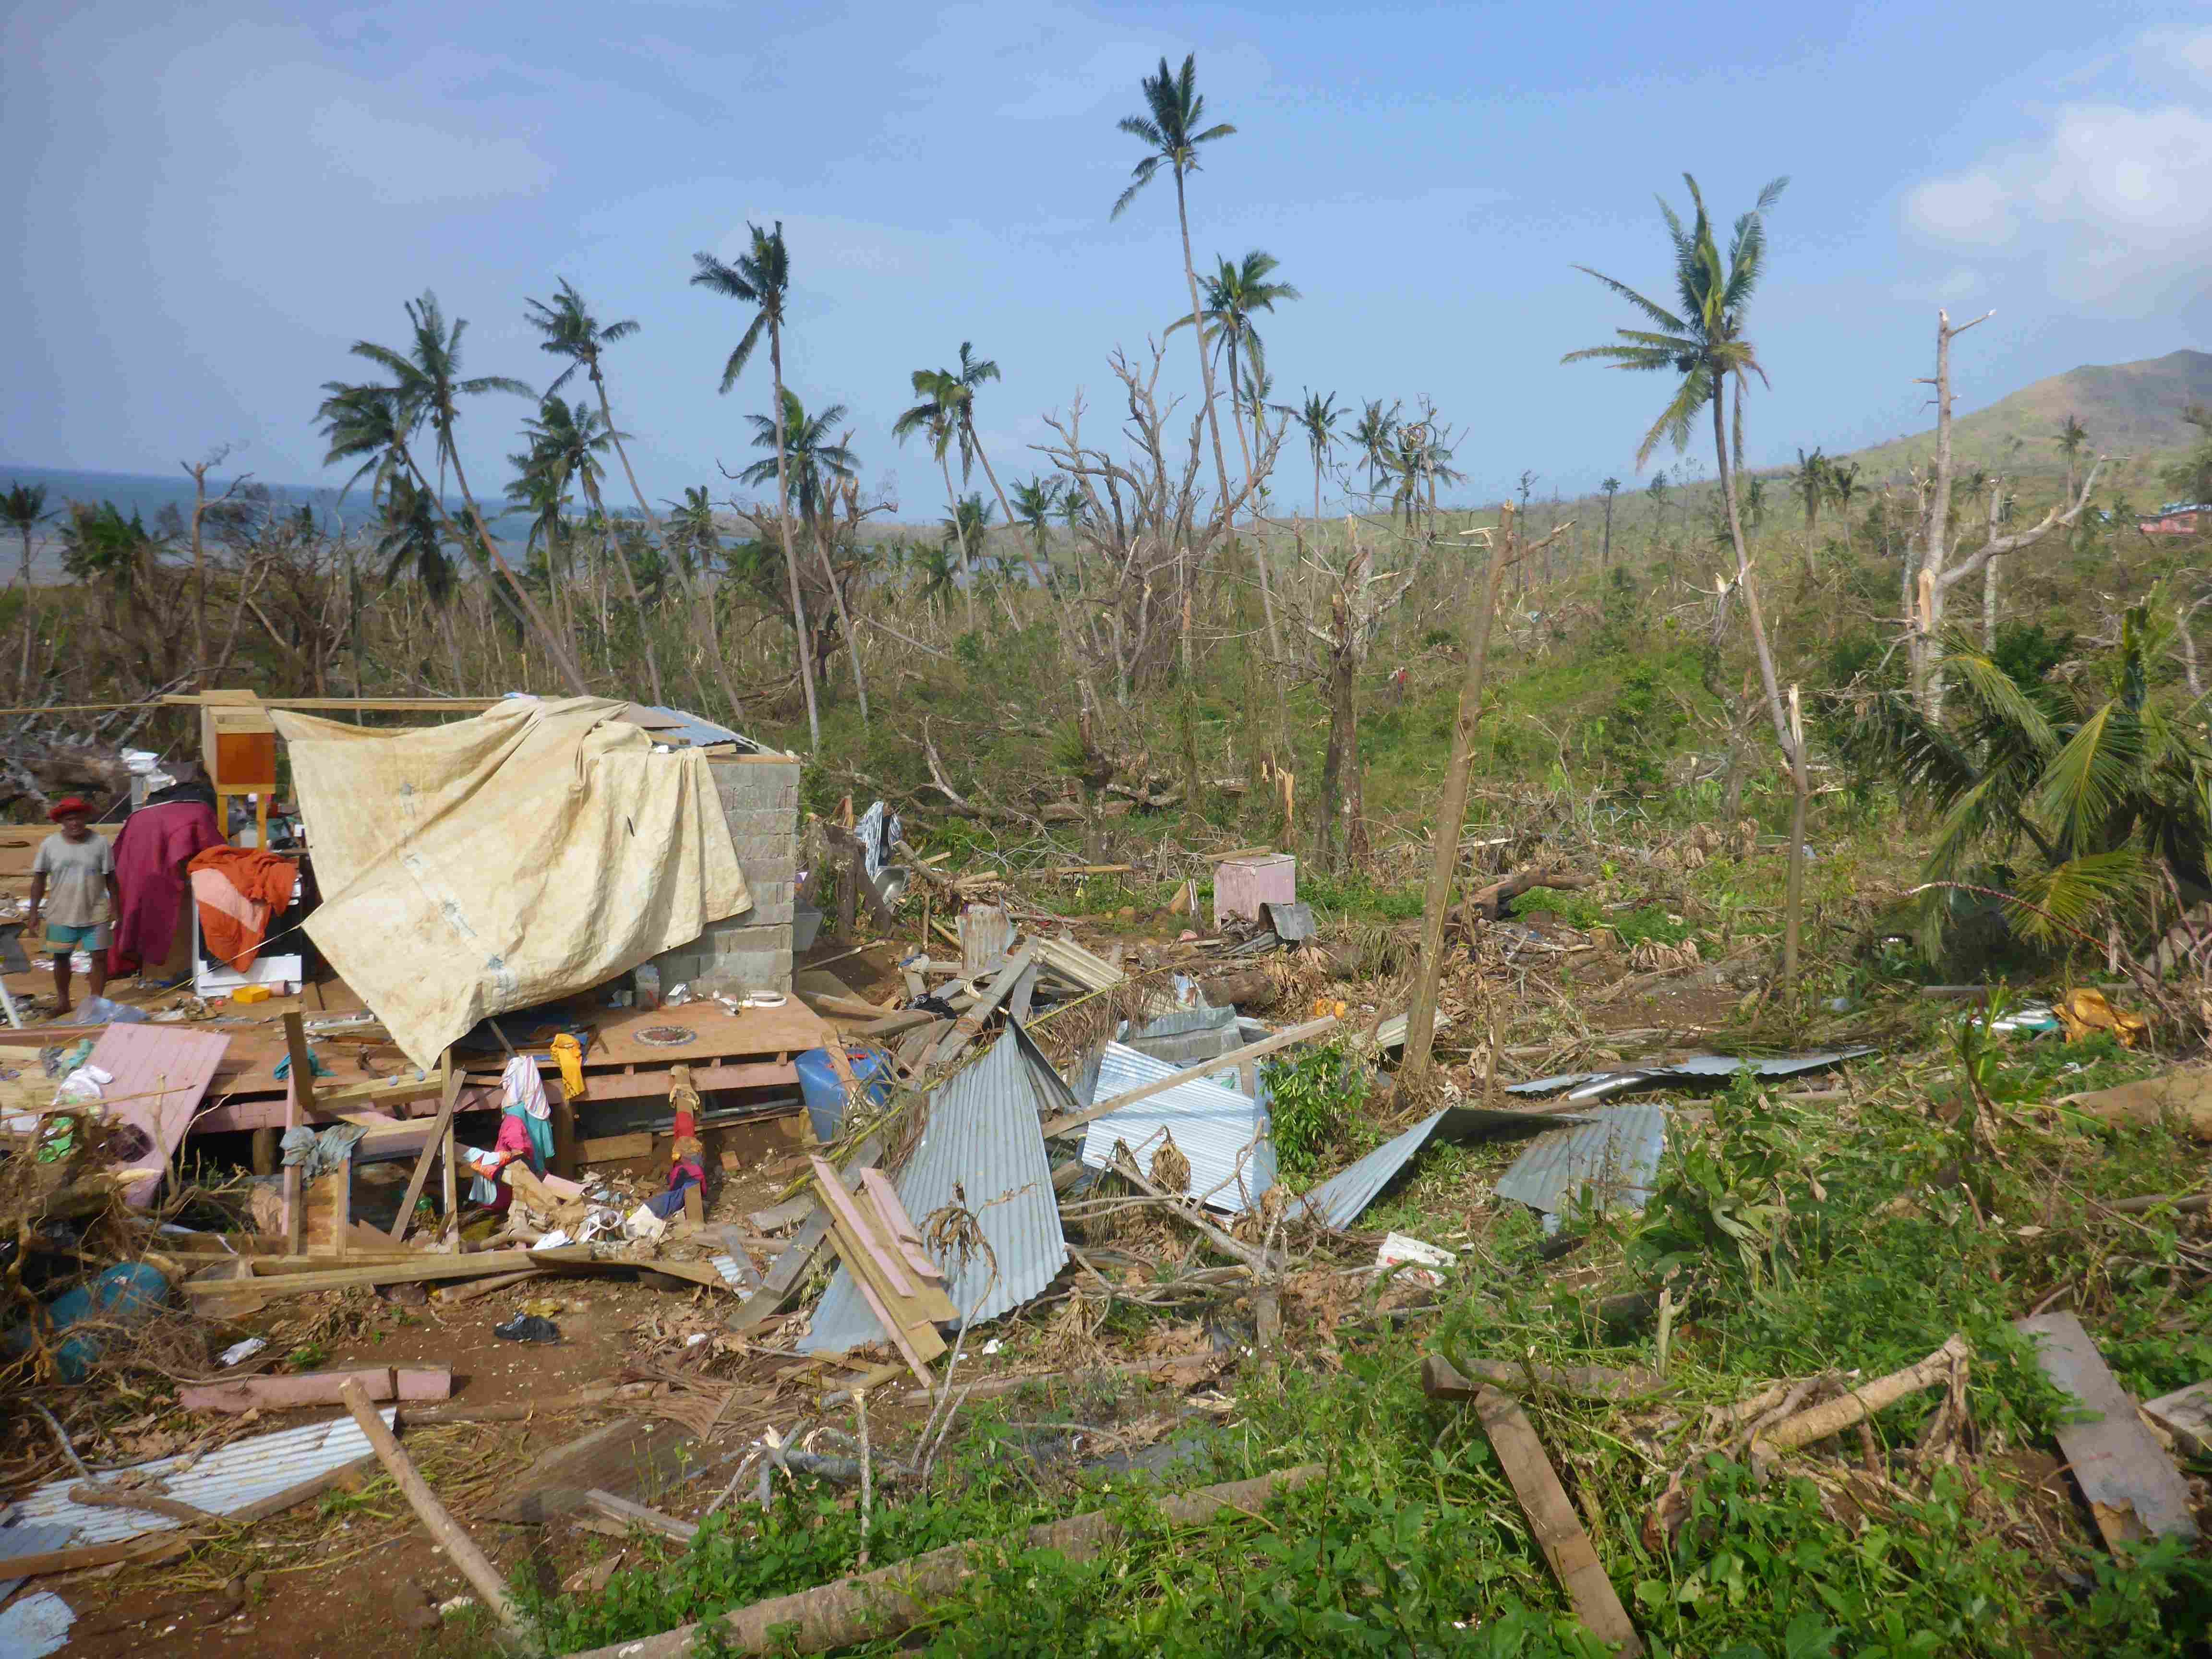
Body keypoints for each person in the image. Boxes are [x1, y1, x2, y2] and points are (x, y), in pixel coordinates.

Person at [26, 797, 119, 1016]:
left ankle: (97, 1003)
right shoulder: (50, 845)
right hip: (60, 912)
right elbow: (38, 880)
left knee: (99, 957)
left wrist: (116, 908)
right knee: (61, 958)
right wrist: (33, 913)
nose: (75, 823)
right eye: (69, 819)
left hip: (96, 911)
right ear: (62, 822)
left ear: (86, 818)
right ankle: (63, 1002)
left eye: (78, 818)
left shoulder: (100, 844)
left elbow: (112, 880)